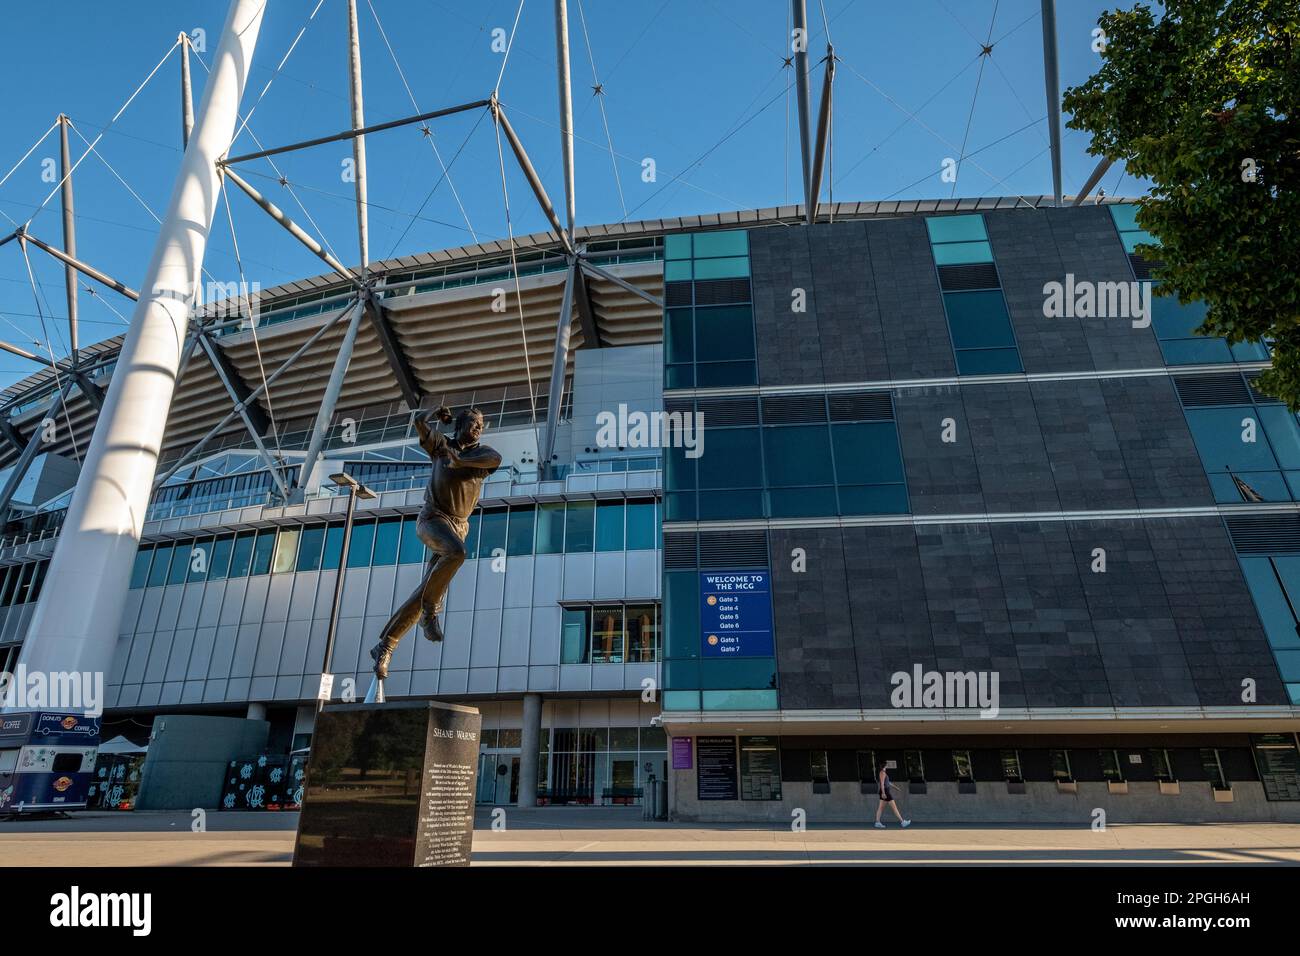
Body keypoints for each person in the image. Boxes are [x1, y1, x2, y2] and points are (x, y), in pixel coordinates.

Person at [369, 405, 501, 679]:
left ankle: (386, 645)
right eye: (474, 422)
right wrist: (434, 412)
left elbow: (493, 458)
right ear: (460, 424)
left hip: (458, 527)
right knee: (457, 553)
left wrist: (460, 461)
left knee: (425, 589)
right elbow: (418, 421)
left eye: (482, 424)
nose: (479, 427)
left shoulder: (482, 456)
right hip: (433, 519)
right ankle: (431, 613)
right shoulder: (440, 446)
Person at [874, 761, 911, 829]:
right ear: (884, 766)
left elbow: (888, 782)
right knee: (894, 808)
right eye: (886, 765)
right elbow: (882, 783)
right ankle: (902, 822)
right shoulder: (882, 773)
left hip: (885, 791)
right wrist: (883, 793)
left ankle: (877, 822)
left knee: (880, 808)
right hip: (886, 792)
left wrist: (896, 787)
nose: (887, 766)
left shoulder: (884, 773)